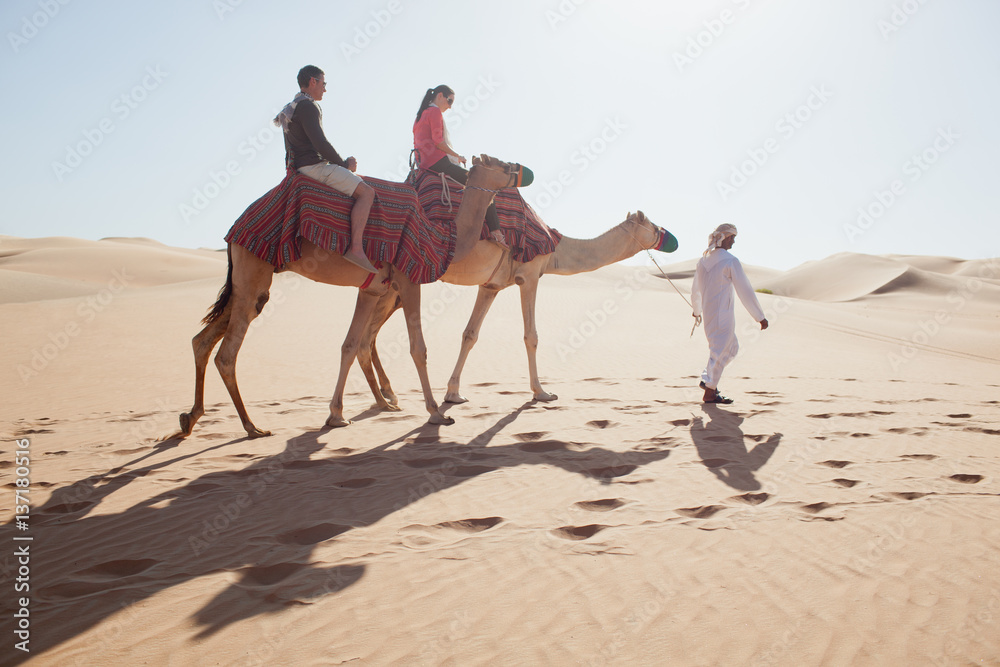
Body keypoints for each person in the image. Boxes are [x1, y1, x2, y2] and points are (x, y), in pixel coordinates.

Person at [274, 65, 377, 273]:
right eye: (323, 83)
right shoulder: (308, 107)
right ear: (313, 82)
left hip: (301, 168)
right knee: (367, 193)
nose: (325, 89)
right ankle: (356, 249)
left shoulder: (291, 107)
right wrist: (343, 164)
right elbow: (320, 143)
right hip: (315, 168)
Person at [412, 85, 508, 249]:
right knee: (483, 186)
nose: (449, 106)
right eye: (449, 101)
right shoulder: (434, 112)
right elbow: (438, 142)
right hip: (438, 163)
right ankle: (496, 231)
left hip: (423, 164)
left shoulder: (420, 116)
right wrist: (457, 156)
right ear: (440, 96)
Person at [690, 223, 769, 404]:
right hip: (723, 316)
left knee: (731, 349)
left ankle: (708, 379)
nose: (733, 242)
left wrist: (696, 310)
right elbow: (745, 290)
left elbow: (695, 291)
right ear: (724, 238)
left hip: (711, 315)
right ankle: (710, 391)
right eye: (732, 238)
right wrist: (760, 316)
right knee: (719, 351)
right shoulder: (730, 261)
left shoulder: (703, 261)